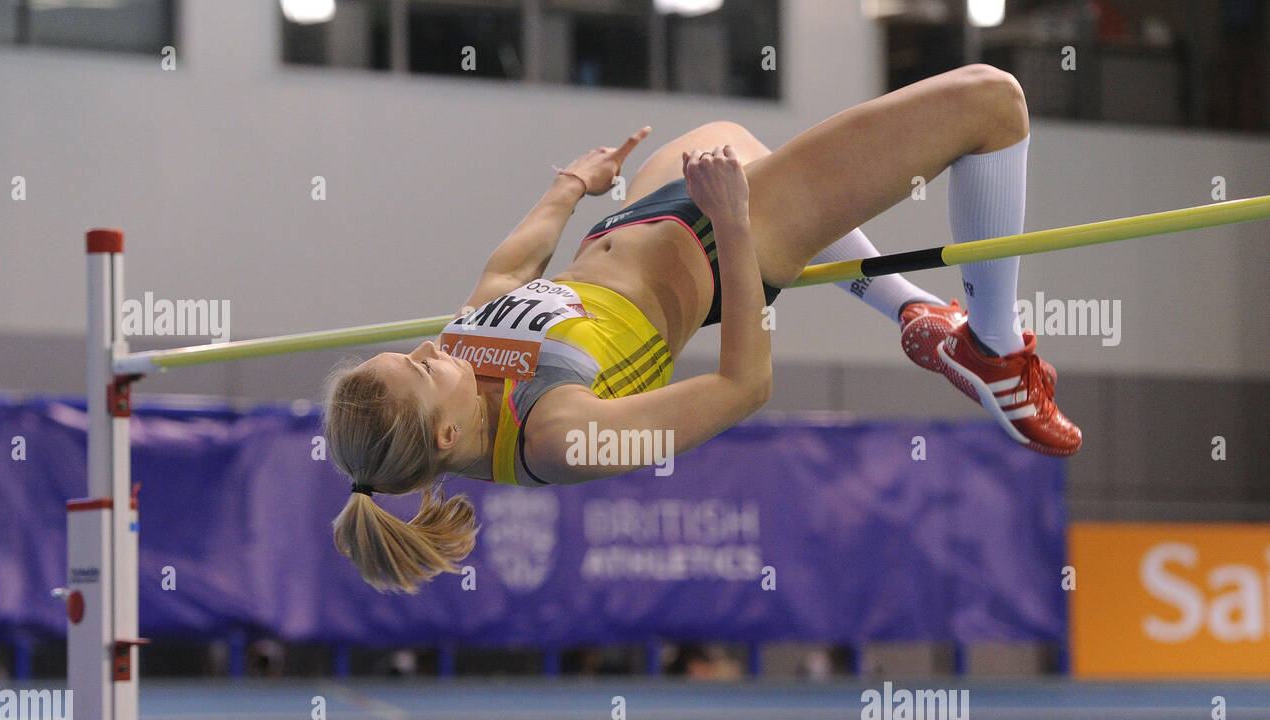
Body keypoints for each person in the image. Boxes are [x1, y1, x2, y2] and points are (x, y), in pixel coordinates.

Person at [324, 64, 1079, 593]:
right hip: (716, 252)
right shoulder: (556, 437)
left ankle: (910, 311)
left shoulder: (459, 359)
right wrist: (736, 224)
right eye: (422, 369)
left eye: (411, 351)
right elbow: (742, 386)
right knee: (991, 103)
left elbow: (506, 275)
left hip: (635, 223)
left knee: (730, 134)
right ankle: (995, 344)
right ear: (448, 438)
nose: (430, 348)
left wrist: (568, 188)